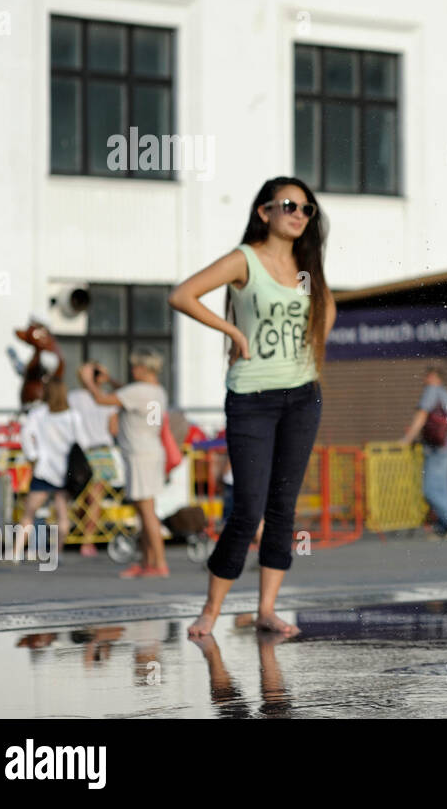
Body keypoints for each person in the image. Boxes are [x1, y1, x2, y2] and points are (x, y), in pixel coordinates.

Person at [169, 177, 335, 636]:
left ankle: (266, 609)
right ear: (264, 212)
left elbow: (326, 310)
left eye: (307, 209)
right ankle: (210, 611)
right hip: (251, 399)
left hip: (303, 396)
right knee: (248, 509)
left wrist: (310, 346)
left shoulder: (306, 265)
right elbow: (181, 294)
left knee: (283, 508)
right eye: (289, 206)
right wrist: (234, 332)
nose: (299, 215)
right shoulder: (244, 259)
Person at [81, 350, 169, 577]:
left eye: (135, 366)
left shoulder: (138, 391)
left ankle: (158, 563)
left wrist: (88, 381)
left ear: (143, 367)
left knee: (147, 511)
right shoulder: (156, 391)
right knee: (145, 510)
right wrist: (109, 380)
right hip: (150, 451)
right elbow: (127, 394)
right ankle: (149, 560)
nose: (132, 370)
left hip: (140, 455)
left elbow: (101, 400)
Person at [16, 378, 81, 560]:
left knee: (29, 512)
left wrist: (33, 455)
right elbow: (82, 441)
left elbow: (26, 434)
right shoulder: (73, 416)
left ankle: (16, 551)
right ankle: (57, 552)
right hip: (65, 470)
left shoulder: (38, 414)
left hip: (44, 469)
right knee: (62, 514)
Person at [404, 368, 447, 540]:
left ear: (434, 377)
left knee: (430, 489)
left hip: (435, 447)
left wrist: (408, 438)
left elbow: (422, 414)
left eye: (427, 375)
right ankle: (446, 524)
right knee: (442, 489)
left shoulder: (431, 391)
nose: (424, 379)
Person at [69, 364, 123, 557]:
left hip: (78, 451)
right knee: (95, 498)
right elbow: (114, 428)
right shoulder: (108, 398)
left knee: (80, 497)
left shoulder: (73, 397)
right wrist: (109, 379)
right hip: (101, 450)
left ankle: (80, 534)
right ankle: (88, 540)